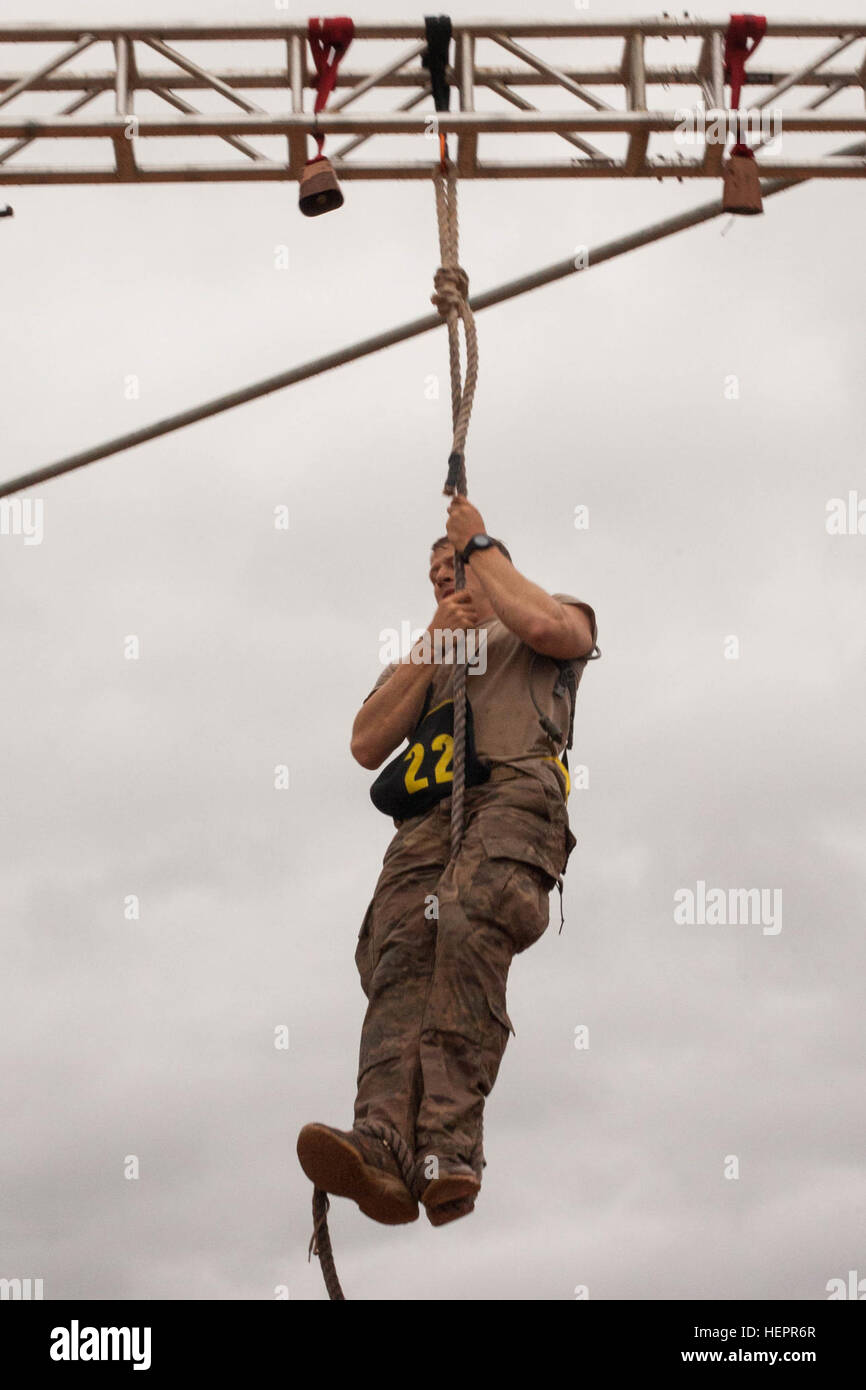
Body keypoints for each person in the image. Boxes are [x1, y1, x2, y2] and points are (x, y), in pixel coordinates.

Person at [297, 494, 598, 1228]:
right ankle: (383, 1148)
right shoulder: (428, 656)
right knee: (400, 952)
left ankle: (448, 1152)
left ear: (491, 565)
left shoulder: (553, 613)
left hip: (512, 802)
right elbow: (367, 741)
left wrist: (481, 544)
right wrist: (434, 638)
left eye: (456, 566)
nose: (447, 578)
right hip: (427, 825)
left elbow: (545, 626)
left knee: (469, 916)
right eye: (436, 574)